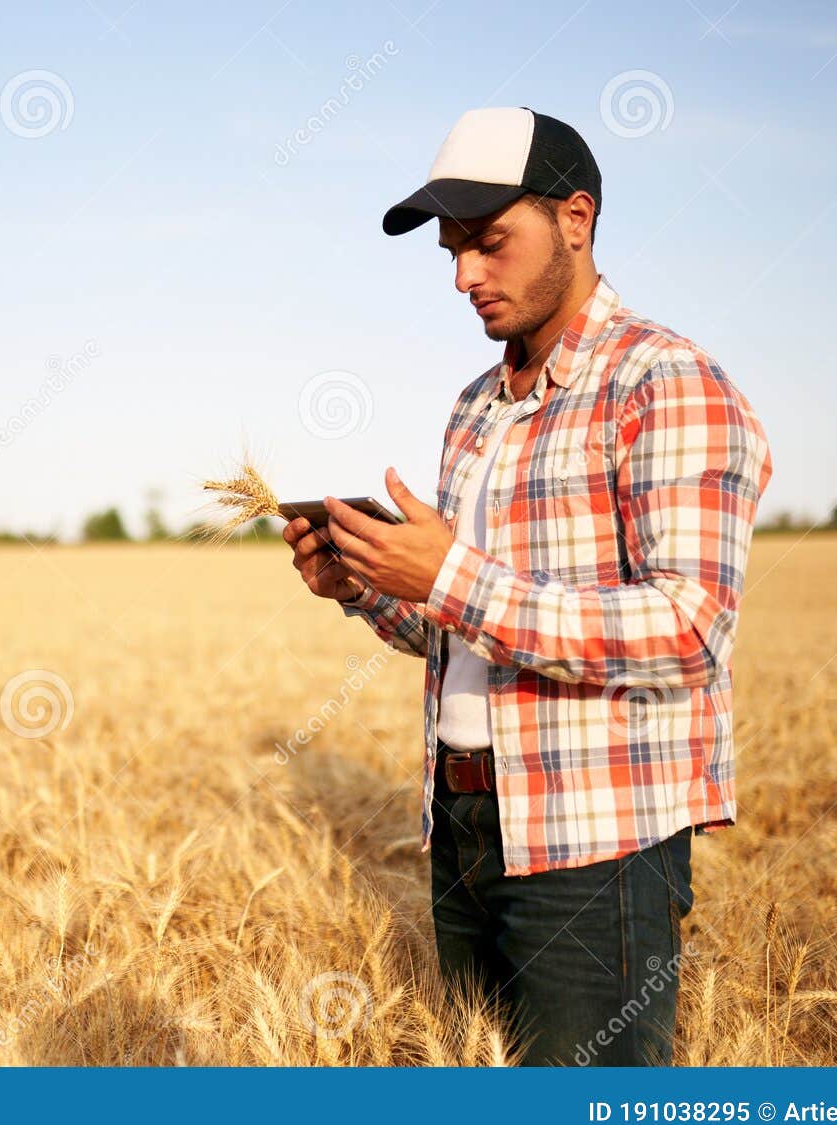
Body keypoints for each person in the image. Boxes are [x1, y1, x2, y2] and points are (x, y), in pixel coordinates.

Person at [282, 106, 774, 1066]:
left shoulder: (665, 381)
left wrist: (451, 575)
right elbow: (467, 632)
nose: (466, 274)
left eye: (491, 242)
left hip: (593, 844)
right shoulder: (476, 406)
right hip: (462, 820)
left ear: (577, 219)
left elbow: (687, 630)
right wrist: (370, 584)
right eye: (455, 250)